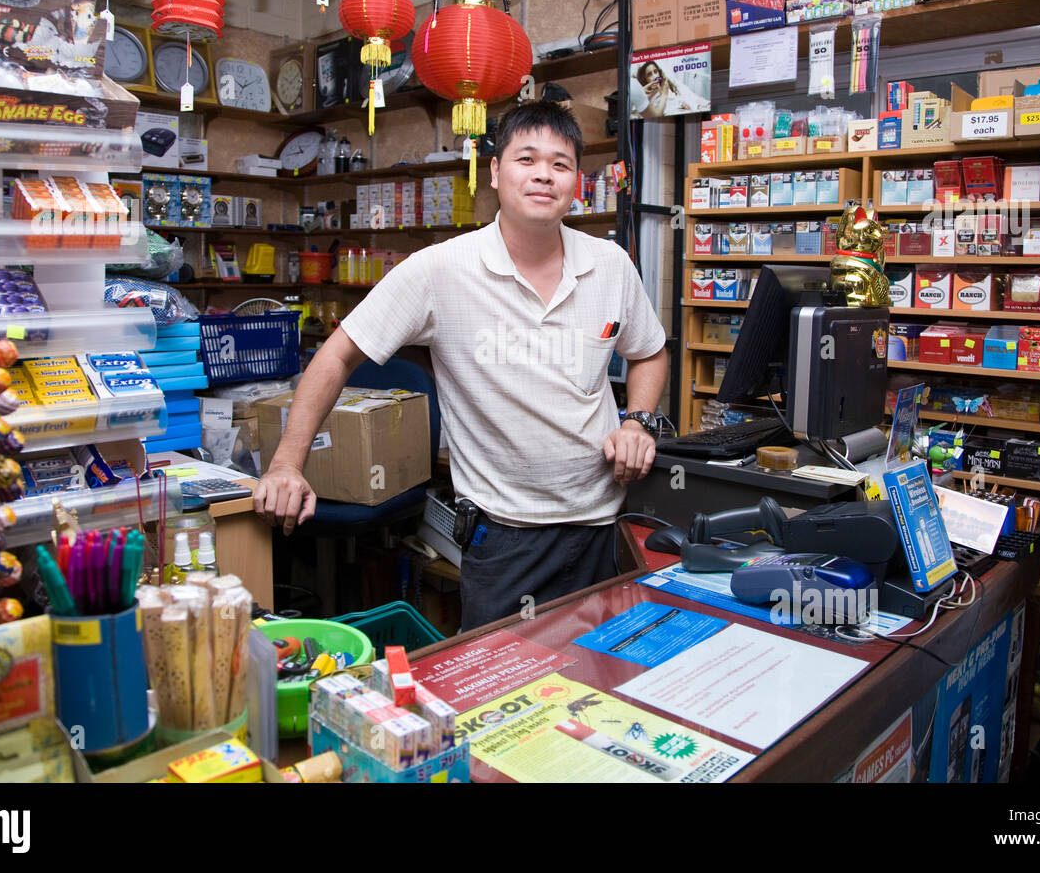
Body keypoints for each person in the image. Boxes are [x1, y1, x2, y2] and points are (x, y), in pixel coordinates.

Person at [254, 101, 669, 628]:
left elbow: (649, 351)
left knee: (604, 684)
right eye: (527, 158)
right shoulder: (441, 270)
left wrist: (637, 419)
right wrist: (287, 464)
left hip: (606, 526)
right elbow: (336, 354)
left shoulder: (609, 264)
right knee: (503, 695)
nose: (544, 174)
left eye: (561, 164)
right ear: (495, 172)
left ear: (577, 182)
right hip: (505, 541)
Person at [633, 60, 709, 118]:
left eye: (655, 71)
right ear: (645, 79)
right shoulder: (645, 94)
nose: (654, 76)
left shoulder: (666, 86)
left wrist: (683, 104)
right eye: (649, 74)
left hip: (682, 110)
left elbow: (679, 97)